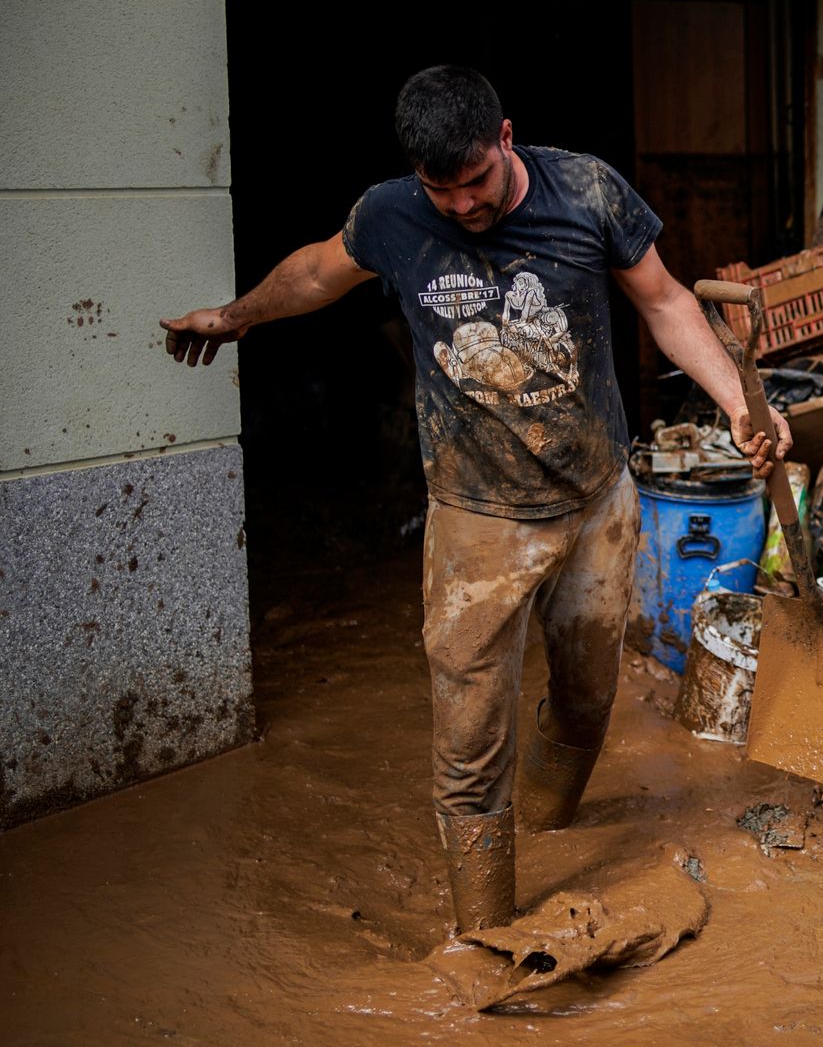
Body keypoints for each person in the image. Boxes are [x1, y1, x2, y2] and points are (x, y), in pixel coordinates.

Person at [159, 66, 791, 935]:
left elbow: (667, 302)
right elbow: (314, 273)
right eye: (441, 191)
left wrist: (734, 401)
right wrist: (234, 318)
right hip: (476, 521)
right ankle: (484, 936)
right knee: (467, 747)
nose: (461, 206)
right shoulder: (389, 213)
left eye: (477, 183)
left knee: (585, 698)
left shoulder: (586, 189)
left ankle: (551, 829)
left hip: (597, 500)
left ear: (505, 137)